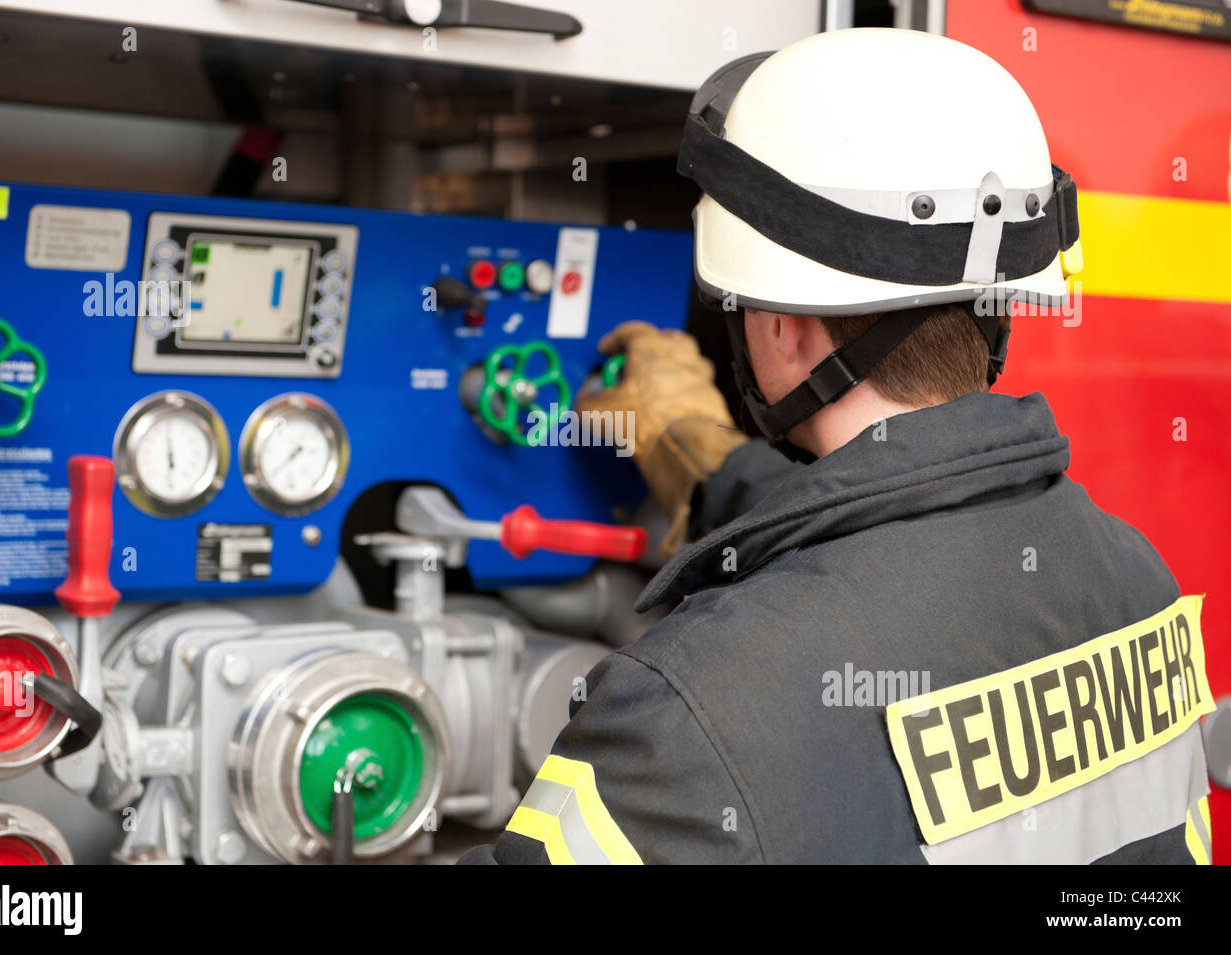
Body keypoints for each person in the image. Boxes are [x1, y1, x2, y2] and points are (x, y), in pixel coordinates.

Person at [460, 28, 1214, 864]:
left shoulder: (690, 718)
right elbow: (901, 538)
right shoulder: (1139, 584)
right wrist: (697, 449)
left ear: (781, 327)